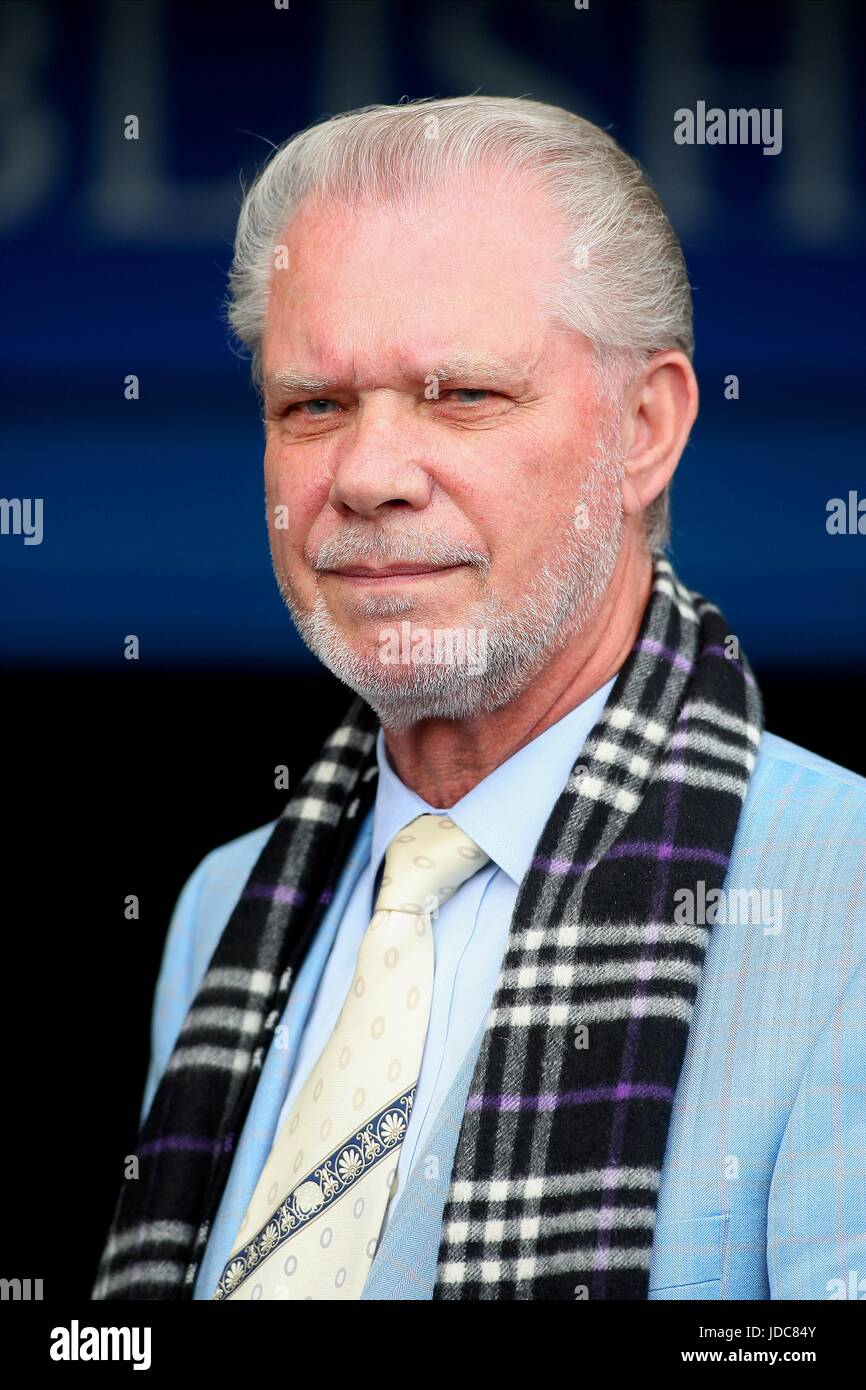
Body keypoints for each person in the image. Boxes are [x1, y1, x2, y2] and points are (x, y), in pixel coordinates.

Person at [92, 95, 865, 1302]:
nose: (367, 475)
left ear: (644, 427)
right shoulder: (220, 912)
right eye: (313, 405)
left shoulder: (845, 899)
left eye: (459, 395)